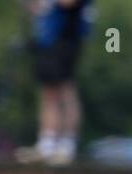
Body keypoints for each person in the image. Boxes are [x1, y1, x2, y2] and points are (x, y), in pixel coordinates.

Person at [18, 0, 95, 165]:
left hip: (66, 38)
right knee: (48, 93)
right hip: (47, 39)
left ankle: (67, 146)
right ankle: (46, 145)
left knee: (66, 90)